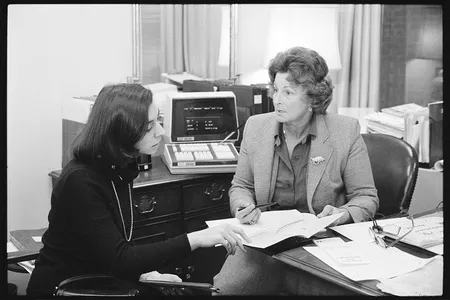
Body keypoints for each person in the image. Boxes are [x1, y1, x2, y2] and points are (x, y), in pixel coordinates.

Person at [26, 83, 251, 296]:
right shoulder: (80, 181)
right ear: (122, 132)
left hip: (101, 277)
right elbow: (120, 258)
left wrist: (147, 274)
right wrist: (197, 238)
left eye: (158, 121)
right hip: (68, 287)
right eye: (149, 126)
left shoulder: (119, 168)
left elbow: (112, 247)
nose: (161, 131)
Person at [213, 46, 379, 295]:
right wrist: (242, 206)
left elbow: (367, 197)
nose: (276, 100)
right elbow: (241, 186)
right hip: (265, 243)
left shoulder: (345, 131)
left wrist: (342, 214)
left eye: (288, 92)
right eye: (275, 90)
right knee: (224, 290)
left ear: (312, 97)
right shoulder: (256, 127)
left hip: (322, 242)